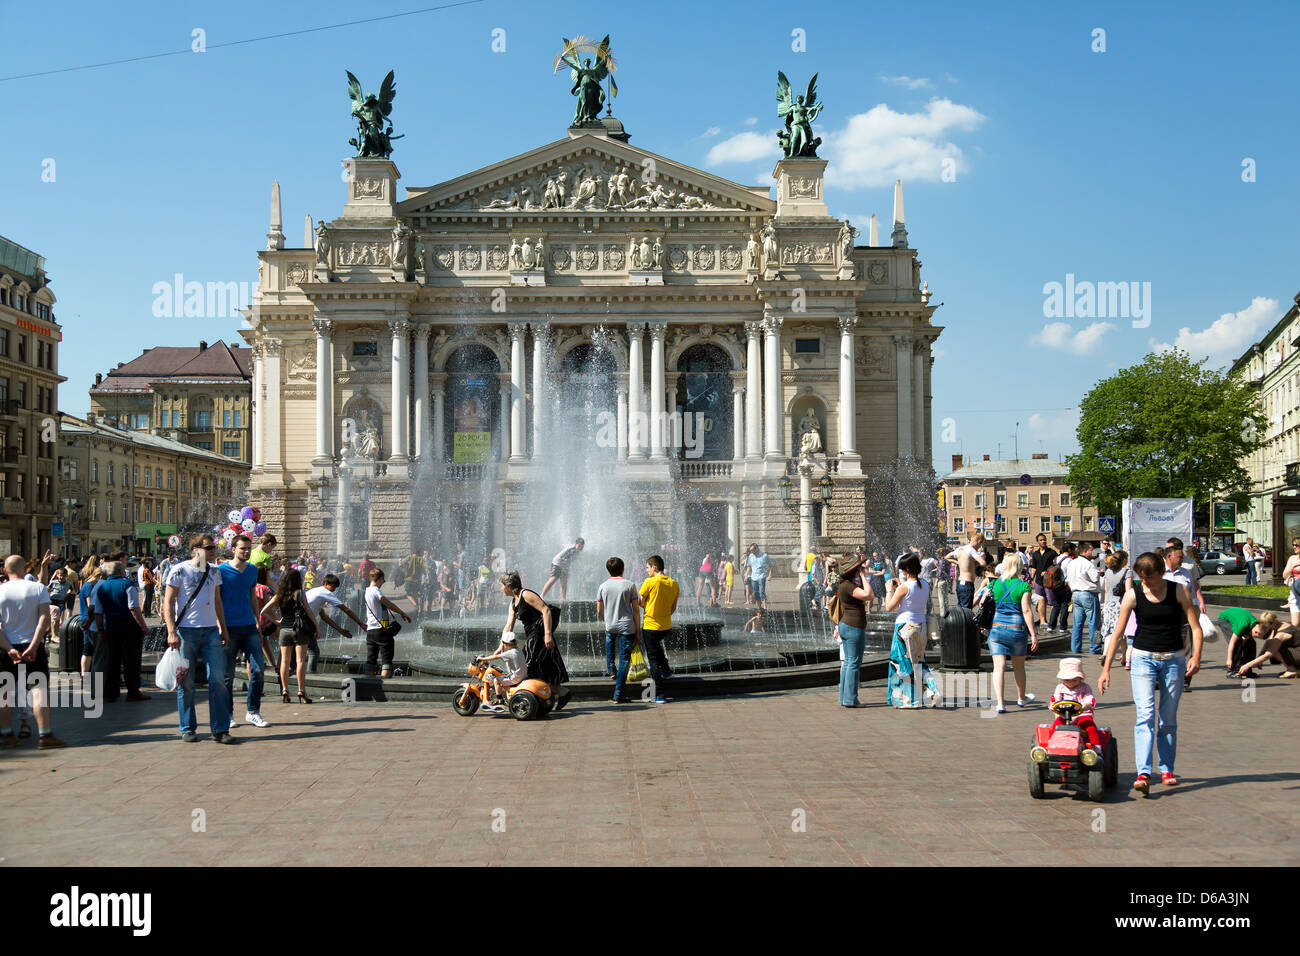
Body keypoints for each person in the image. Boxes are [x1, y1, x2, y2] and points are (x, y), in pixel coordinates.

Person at [1100, 551, 1203, 796]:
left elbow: (1195, 627)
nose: (1144, 581)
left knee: (1167, 719)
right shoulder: (1133, 594)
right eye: (1141, 577)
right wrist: (1106, 669)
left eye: (1149, 577)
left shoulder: (1178, 590)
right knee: (1145, 715)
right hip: (1143, 660)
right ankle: (1144, 772)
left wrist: (1196, 656)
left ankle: (1166, 768)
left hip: (1174, 660)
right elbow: (1118, 633)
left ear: (1161, 573)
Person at [163, 534, 234, 743]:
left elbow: (217, 600)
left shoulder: (214, 571)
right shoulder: (179, 570)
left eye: (214, 548)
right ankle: (187, 728)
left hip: (211, 630)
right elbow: (168, 602)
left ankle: (220, 729)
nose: (213, 551)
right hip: (186, 632)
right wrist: (171, 631)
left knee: (218, 680)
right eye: (209, 548)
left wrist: (223, 627)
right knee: (186, 683)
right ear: (195, 549)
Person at [0, 554, 67, 749]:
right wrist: (34, 645)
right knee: (39, 691)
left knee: (4, 692)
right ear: (25, 569)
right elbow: (44, 620)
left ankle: (6, 734)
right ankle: (45, 735)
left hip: (6, 648)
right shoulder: (37, 588)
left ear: (5, 571)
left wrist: (9, 648)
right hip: (32, 646)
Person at [499, 570, 571, 709]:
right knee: (542, 667)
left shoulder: (526, 594)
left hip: (540, 634)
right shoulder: (513, 603)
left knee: (527, 665)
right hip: (532, 636)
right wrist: (501, 644)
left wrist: (548, 634)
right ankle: (562, 692)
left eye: (502, 585)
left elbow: (546, 610)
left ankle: (532, 699)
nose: (501, 588)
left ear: (508, 586)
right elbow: (508, 625)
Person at [218, 535, 268, 729]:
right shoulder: (221, 571)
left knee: (258, 669)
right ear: (233, 549)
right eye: (242, 549)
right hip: (229, 627)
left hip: (249, 626)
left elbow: (252, 597)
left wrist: (257, 620)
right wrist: (220, 626)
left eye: (248, 549)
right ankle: (227, 714)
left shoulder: (252, 570)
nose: (246, 552)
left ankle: (253, 712)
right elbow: (216, 600)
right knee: (227, 675)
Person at [983, 552, 1038, 713]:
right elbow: (1027, 611)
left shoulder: (994, 584)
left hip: (997, 628)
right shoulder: (1023, 586)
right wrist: (1033, 635)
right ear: (1019, 566)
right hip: (1016, 629)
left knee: (998, 667)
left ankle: (1000, 703)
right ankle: (1021, 698)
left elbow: (982, 601)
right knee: (1018, 667)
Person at [92, 560, 151, 703]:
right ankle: (133, 692)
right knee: (131, 660)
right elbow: (133, 608)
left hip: (111, 627)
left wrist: (100, 629)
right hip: (129, 627)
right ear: (121, 571)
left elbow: (98, 612)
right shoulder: (127, 584)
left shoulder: (102, 587)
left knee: (113, 660)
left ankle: (111, 693)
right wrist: (143, 626)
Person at [884, 553, 935, 708]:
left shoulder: (904, 587)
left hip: (904, 626)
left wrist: (889, 590)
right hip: (921, 625)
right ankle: (932, 690)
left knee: (902, 661)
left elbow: (889, 607)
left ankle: (909, 699)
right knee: (919, 661)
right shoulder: (925, 584)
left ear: (906, 569)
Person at [264, 567, 318, 703]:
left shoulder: (279, 594)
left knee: (284, 661)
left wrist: (277, 620)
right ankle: (301, 690)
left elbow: (263, 611)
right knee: (300, 661)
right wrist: (316, 627)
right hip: (299, 629)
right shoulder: (299, 593)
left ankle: (285, 690)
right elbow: (309, 611)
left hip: (284, 630)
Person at [1162, 536, 1204, 691]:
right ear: (1169, 557)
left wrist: (1197, 606)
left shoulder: (1186, 573)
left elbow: (1193, 592)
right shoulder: (1159, 573)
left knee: (1186, 645)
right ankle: (1161, 679)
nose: (1182, 559)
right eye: (1179, 557)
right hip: (1164, 614)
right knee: (1165, 645)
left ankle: (1185, 679)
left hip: (1184, 613)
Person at [597, 556, 641, 702]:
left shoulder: (602, 586)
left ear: (608, 570)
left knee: (610, 644)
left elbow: (599, 610)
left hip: (611, 625)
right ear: (623, 569)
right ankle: (619, 694)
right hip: (627, 626)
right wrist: (638, 632)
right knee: (624, 660)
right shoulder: (630, 585)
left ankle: (611, 669)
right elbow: (636, 610)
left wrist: (607, 620)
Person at [638, 555, 679, 704]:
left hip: (650, 626)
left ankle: (660, 694)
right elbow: (673, 607)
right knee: (657, 648)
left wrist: (648, 606)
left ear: (654, 567)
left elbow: (641, 602)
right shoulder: (674, 583)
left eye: (647, 568)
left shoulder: (649, 582)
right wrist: (664, 615)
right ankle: (667, 671)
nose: (646, 571)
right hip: (666, 626)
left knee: (653, 659)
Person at [834, 554, 870, 708]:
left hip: (846, 625)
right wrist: (864, 576)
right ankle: (851, 699)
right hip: (854, 626)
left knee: (849, 663)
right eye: (858, 568)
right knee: (854, 663)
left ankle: (844, 698)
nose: (861, 569)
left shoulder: (844, 584)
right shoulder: (849, 586)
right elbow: (869, 595)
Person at [363, 568, 411, 679]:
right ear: (379, 579)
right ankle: (385, 683)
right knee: (387, 660)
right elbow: (388, 604)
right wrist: (402, 613)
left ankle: (368, 684)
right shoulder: (376, 591)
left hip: (370, 631)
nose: (383, 582)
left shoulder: (366, 591)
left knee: (371, 660)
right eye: (383, 580)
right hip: (381, 630)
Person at [1050, 658, 1102, 750]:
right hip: (1063, 715)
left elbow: (1090, 699)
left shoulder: (1085, 687)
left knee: (1090, 726)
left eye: (1074, 680)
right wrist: (1053, 706)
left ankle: (1097, 748)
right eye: (1067, 680)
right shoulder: (1060, 688)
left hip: (1082, 714)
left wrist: (1085, 706)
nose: (1070, 683)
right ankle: (1050, 747)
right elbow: (1056, 699)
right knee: (1055, 726)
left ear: (1080, 678)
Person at [1065, 542, 1103, 656]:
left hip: (1076, 594)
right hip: (1088, 594)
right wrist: (1099, 572)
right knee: (1094, 623)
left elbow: (1068, 580)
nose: (1093, 552)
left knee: (1077, 623)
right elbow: (1095, 578)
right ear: (1085, 551)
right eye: (1091, 550)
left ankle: (1075, 647)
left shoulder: (1072, 563)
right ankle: (1095, 647)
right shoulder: (1088, 564)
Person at [1233, 617, 1299, 679]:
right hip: (1297, 650)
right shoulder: (1279, 624)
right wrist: (1259, 658)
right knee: (1274, 645)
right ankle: (1297, 669)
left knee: (1275, 649)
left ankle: (1291, 670)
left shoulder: (1281, 635)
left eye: (1265, 627)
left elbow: (1268, 655)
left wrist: (1247, 665)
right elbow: (1268, 642)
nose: (1264, 629)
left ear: (1271, 624)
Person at [1219, 607, 1276, 679]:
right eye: (1256, 634)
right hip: (1225, 619)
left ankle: (1246, 670)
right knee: (1237, 643)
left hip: (1239, 617)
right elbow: (1232, 642)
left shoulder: (1257, 625)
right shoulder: (1242, 626)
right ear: (1255, 630)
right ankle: (1232, 671)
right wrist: (1229, 659)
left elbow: (1247, 643)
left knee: (1252, 644)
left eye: (1259, 636)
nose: (1256, 636)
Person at [478, 631, 527, 713]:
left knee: (496, 680)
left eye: (503, 643)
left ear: (507, 644)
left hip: (515, 678)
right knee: (503, 676)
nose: (503, 645)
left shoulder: (510, 653)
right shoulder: (518, 650)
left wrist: (482, 659)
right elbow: (509, 658)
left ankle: (499, 700)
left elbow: (496, 657)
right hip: (522, 675)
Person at [1101, 551, 1131, 664]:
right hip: (1121, 605)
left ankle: (1108, 654)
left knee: (1111, 632)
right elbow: (1128, 591)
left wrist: (1104, 605)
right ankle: (1124, 657)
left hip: (1109, 604)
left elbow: (1106, 590)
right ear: (1124, 560)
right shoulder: (1127, 572)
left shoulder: (1108, 571)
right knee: (1121, 632)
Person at [945, 532, 988, 610]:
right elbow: (983, 563)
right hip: (967, 583)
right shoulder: (971, 550)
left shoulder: (960, 549)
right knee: (967, 610)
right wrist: (979, 559)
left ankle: (959, 622)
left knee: (960, 608)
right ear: (978, 541)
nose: (979, 546)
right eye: (980, 544)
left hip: (960, 583)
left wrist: (958, 562)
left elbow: (947, 557)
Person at [746, 543, 771, 611]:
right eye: (750, 550)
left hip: (761, 576)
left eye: (752, 550)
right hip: (753, 577)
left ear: (757, 549)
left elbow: (771, 565)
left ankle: (765, 606)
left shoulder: (764, 556)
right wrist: (746, 575)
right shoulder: (751, 556)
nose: (751, 552)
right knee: (755, 593)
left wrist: (769, 575)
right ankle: (759, 607)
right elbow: (749, 566)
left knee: (761, 591)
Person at [1281, 537, 1300, 627]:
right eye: (1293, 545)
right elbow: (1285, 575)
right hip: (1295, 593)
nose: (1294, 547)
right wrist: (1293, 565)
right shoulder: (1292, 558)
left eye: (1296, 545)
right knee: (1295, 623)